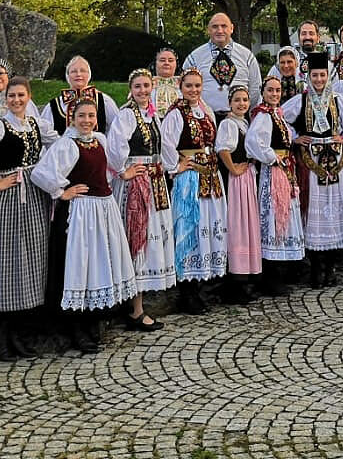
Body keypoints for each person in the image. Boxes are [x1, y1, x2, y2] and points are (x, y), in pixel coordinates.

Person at [32, 99, 139, 354]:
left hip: (103, 209)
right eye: (82, 116)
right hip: (81, 212)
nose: (87, 120)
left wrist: (123, 173)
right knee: (79, 266)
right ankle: (77, 329)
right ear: (72, 118)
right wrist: (62, 192)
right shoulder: (68, 144)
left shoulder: (100, 140)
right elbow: (41, 174)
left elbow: (111, 167)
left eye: (91, 115)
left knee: (98, 264)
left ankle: (93, 322)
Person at [0, 74, 56, 359]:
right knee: (7, 260)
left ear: (29, 97)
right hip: (8, 198)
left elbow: (62, 144)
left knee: (31, 260)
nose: (16, 100)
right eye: (11, 96)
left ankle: (20, 333)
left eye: (21, 95)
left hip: (34, 195)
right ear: (4, 99)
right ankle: (1, 336)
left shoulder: (36, 125)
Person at [282, 54, 343, 287]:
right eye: (315, 75)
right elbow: (280, 120)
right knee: (315, 210)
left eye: (322, 75)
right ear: (308, 77)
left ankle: (331, 267)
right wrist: (296, 138)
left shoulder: (338, 100)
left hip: (336, 161)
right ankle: (316, 269)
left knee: (336, 210)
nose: (319, 79)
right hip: (312, 161)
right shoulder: (300, 100)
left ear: (328, 76)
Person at [106, 69, 175, 330]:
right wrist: (124, 171)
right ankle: (135, 309)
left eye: (146, 86)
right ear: (131, 89)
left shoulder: (153, 114)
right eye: (138, 87)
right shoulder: (127, 115)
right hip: (136, 184)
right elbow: (115, 148)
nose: (143, 91)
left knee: (150, 239)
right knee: (138, 238)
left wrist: (172, 167)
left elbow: (164, 148)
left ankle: (138, 306)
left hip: (155, 182)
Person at [161, 68, 228, 311]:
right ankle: (187, 291)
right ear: (181, 86)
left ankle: (201, 287)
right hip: (190, 178)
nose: (193, 90)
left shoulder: (206, 109)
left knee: (208, 228)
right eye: (189, 85)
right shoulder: (176, 113)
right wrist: (175, 165)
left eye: (197, 86)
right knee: (191, 227)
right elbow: (167, 142)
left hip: (210, 176)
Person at [245, 73, 305, 293]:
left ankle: (281, 272)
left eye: (277, 90)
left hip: (284, 170)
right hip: (273, 173)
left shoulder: (276, 114)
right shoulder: (263, 115)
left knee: (284, 216)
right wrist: (272, 157)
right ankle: (271, 277)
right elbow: (253, 141)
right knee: (274, 216)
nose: (274, 94)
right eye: (270, 90)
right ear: (263, 92)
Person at [216, 84, 263, 301]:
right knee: (239, 225)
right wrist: (233, 168)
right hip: (236, 181)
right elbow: (223, 149)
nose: (242, 103)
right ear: (229, 103)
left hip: (247, 176)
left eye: (245, 100)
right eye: (237, 100)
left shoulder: (245, 123)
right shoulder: (228, 124)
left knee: (248, 225)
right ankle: (237, 280)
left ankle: (248, 277)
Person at [183, 13, 262, 113]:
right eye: (215, 27)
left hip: (239, 119)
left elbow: (255, 88)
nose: (220, 30)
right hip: (205, 119)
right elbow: (184, 87)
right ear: (208, 29)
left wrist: (246, 113)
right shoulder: (195, 57)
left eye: (224, 26)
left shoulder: (247, 56)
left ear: (232, 28)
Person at [43, 55, 121, 137]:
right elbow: (45, 134)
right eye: (73, 71)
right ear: (67, 75)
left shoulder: (104, 101)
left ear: (89, 74)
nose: (78, 74)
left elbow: (116, 130)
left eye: (83, 71)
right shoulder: (55, 105)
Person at [152, 46, 184, 118]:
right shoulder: (146, 84)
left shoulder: (185, 84)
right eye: (162, 60)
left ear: (176, 64)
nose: (166, 63)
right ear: (156, 63)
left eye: (170, 60)